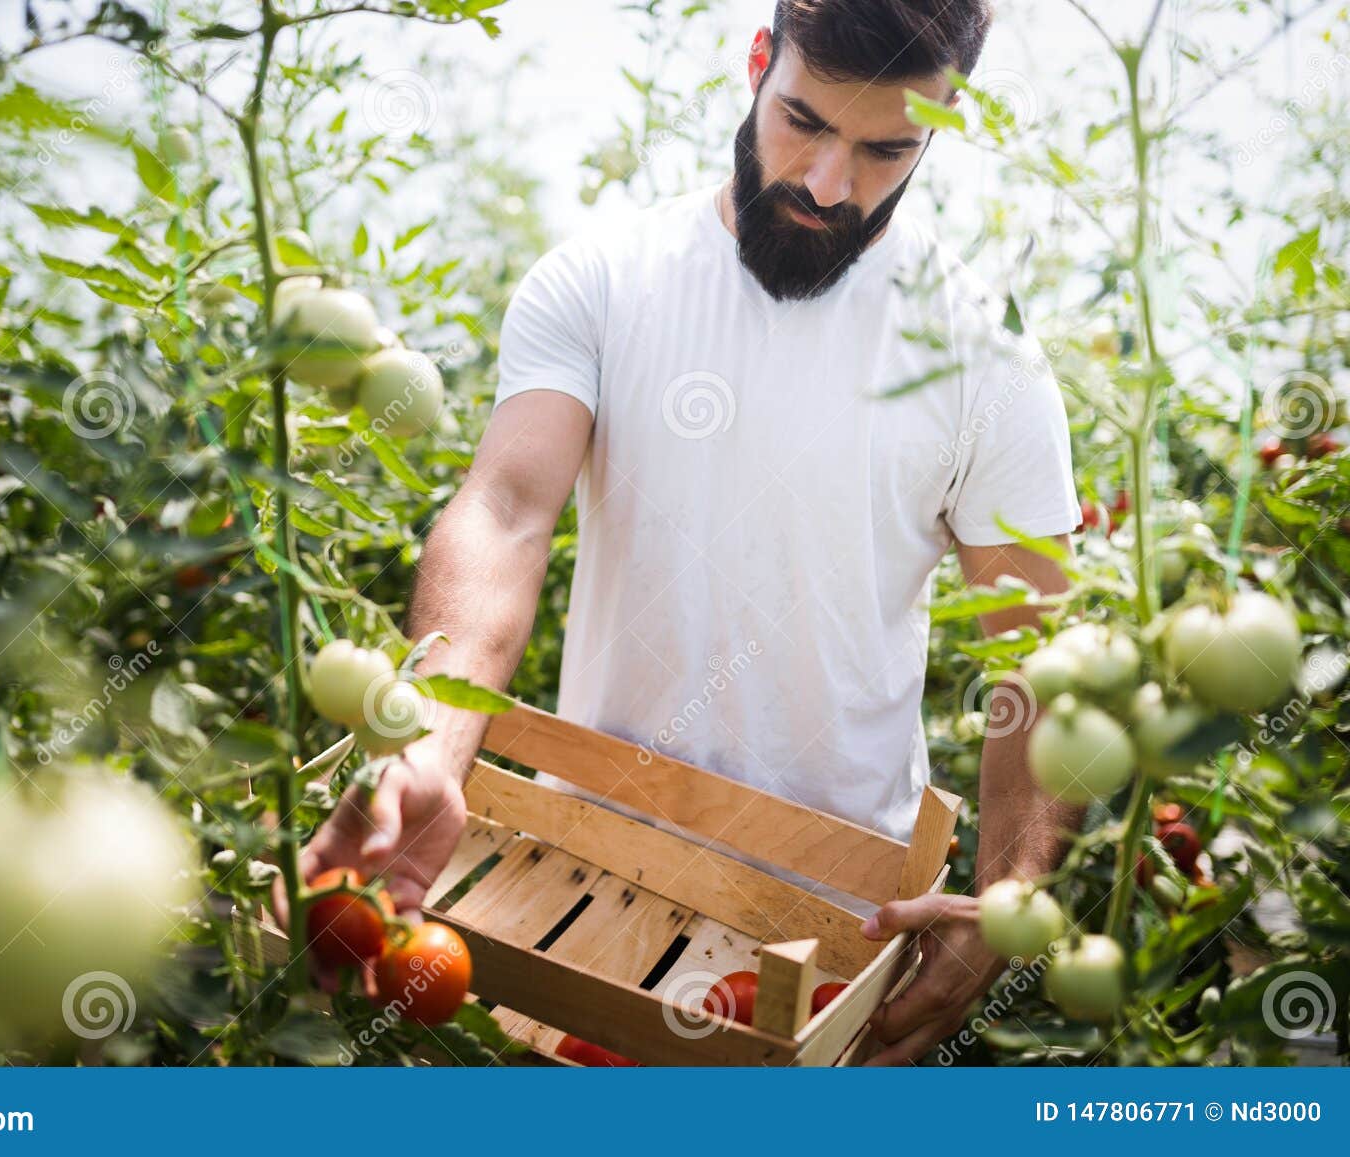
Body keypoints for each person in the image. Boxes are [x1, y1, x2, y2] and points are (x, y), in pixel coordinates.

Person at [286, 0, 1083, 1064]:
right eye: (801, 120)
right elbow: (507, 511)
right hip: (577, 883)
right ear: (758, 64)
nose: (827, 182)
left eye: (886, 148)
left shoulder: (988, 358)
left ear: (946, 125)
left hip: (832, 935)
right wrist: (428, 743)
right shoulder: (604, 276)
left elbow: (1036, 652)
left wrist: (1011, 896)